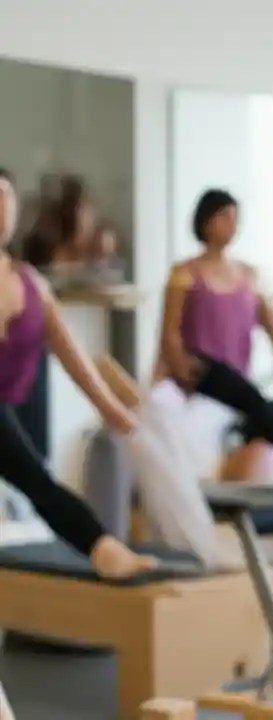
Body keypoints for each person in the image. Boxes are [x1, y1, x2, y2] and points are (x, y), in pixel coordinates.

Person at [0, 167, 155, 579]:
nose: (2, 209)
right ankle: (101, 547)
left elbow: (73, 355)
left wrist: (110, 407)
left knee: (35, 480)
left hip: (12, 411)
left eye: (6, 198)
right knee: (36, 480)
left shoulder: (31, 283)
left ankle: (102, 548)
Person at [156, 189, 273, 462]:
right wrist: (180, 370)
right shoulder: (184, 273)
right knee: (256, 405)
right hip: (203, 374)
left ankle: (264, 436)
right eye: (225, 217)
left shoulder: (249, 275)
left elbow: (270, 319)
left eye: (235, 218)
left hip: (239, 382)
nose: (233, 224)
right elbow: (169, 332)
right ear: (206, 221)